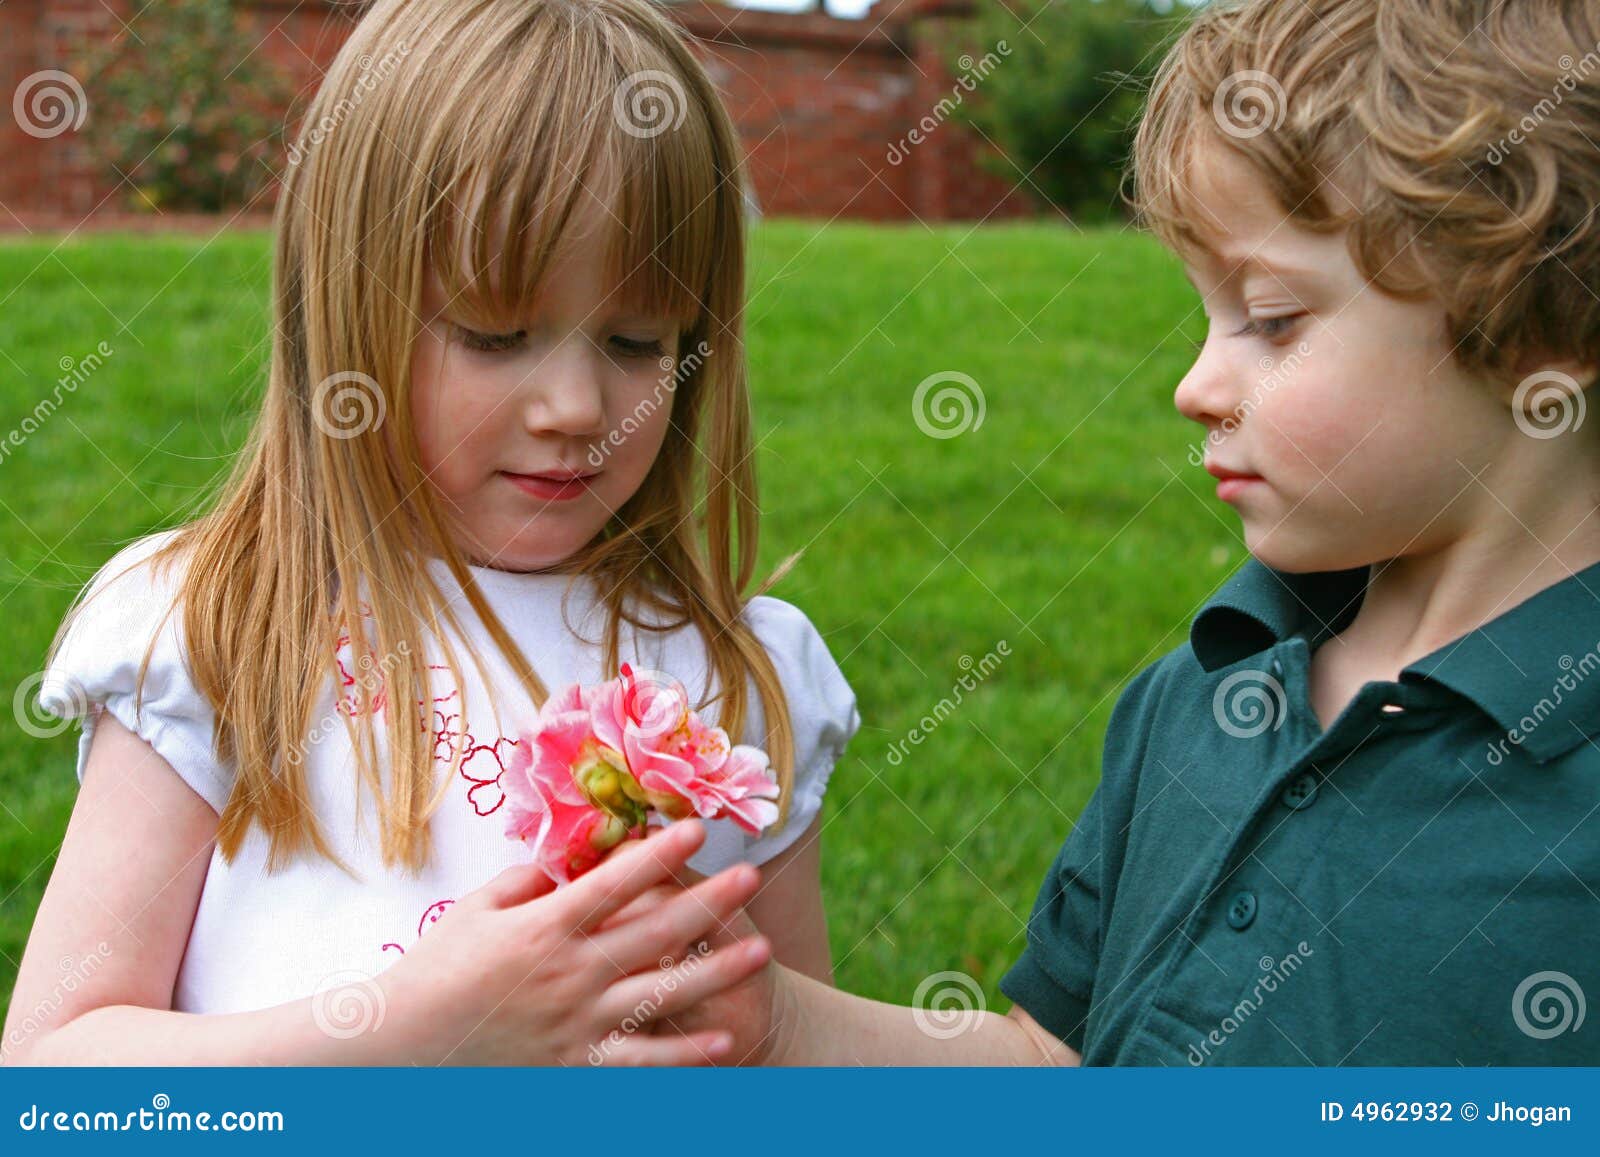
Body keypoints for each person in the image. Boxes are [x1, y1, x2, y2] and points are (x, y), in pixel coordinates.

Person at [672, 0, 1600, 1065]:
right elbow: (1051, 1060)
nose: (1195, 386)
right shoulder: (1201, 691)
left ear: (1541, 323)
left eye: (1273, 319)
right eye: (1206, 316)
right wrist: (775, 1020)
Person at [3, 0, 857, 1066]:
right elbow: (52, 1078)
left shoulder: (740, 676)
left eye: (638, 340)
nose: (577, 406)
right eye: (495, 334)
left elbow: (803, 1065)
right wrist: (407, 1034)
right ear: (346, 308)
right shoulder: (225, 627)